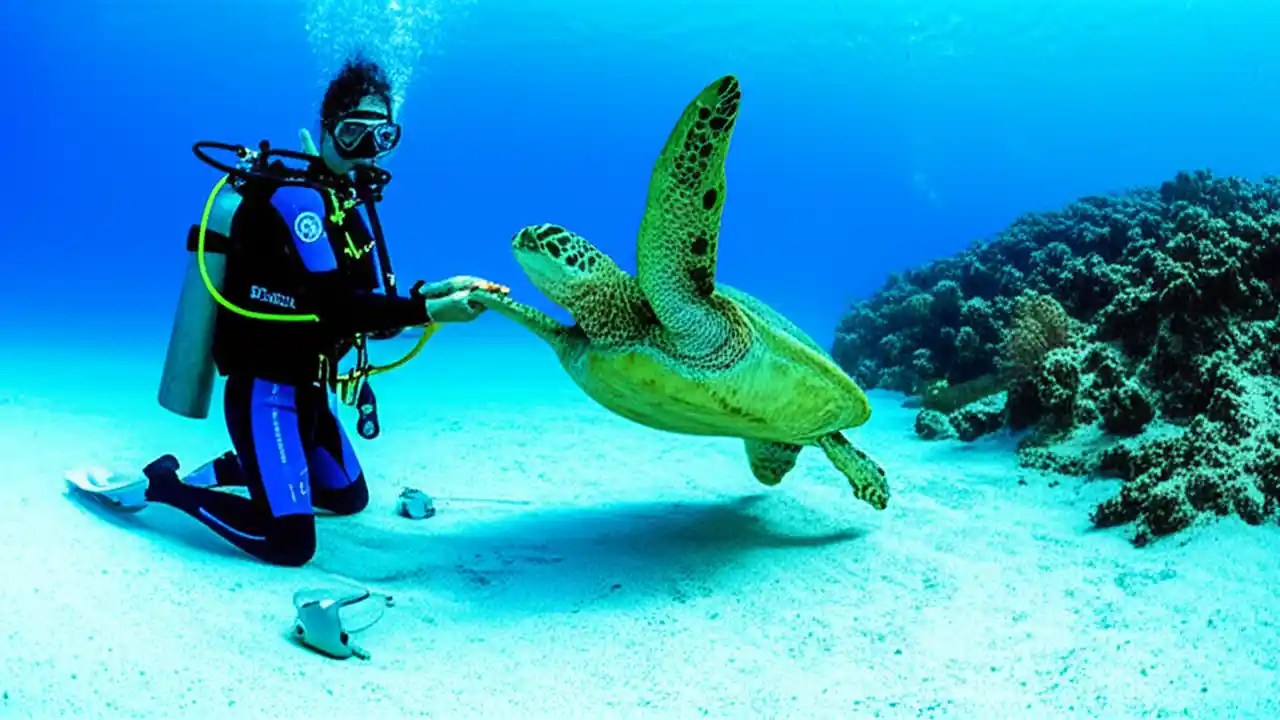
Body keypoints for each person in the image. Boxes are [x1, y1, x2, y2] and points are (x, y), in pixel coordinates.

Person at [73, 55, 497, 567]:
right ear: (325, 130)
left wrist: (436, 291)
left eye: (380, 137)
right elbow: (336, 307)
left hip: (310, 394)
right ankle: (166, 486)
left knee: (348, 498)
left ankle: (247, 467)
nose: (365, 150)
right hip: (266, 392)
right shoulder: (300, 205)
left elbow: (372, 309)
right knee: (290, 545)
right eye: (351, 134)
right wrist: (430, 311)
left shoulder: (347, 210)